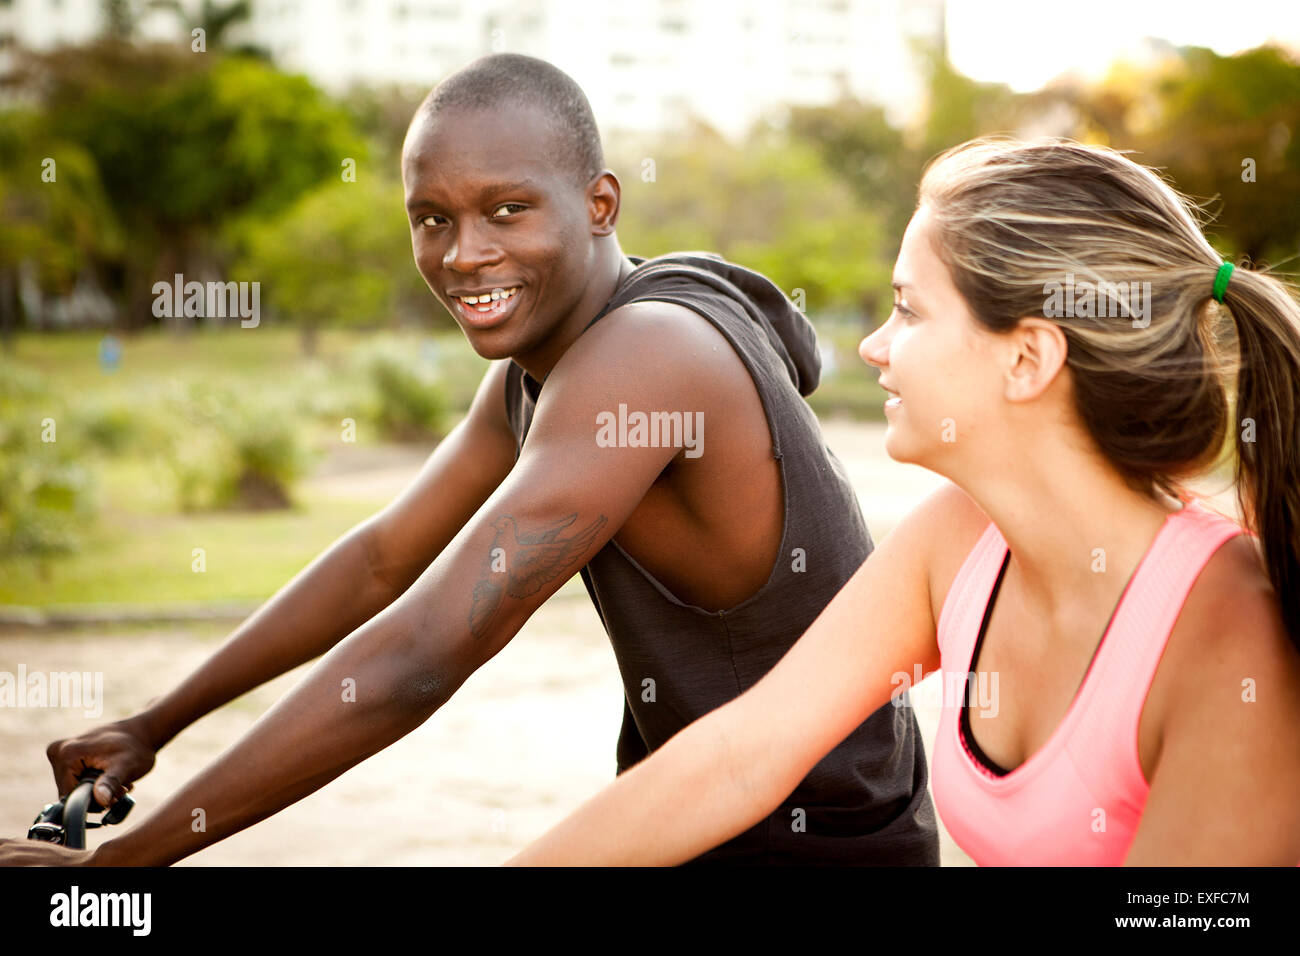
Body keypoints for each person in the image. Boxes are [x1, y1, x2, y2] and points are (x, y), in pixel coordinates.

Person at [0, 54, 938, 866]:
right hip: (695, 818)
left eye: (507, 209)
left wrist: (128, 861)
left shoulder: (650, 355)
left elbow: (425, 649)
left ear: (600, 203)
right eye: (432, 219)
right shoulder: (547, 368)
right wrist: (154, 725)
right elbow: (382, 559)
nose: (464, 254)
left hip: (807, 844)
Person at [506, 137, 1300, 866]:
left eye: (910, 309)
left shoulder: (1227, 633)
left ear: (1027, 358)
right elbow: (742, 757)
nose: (872, 345)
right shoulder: (957, 544)